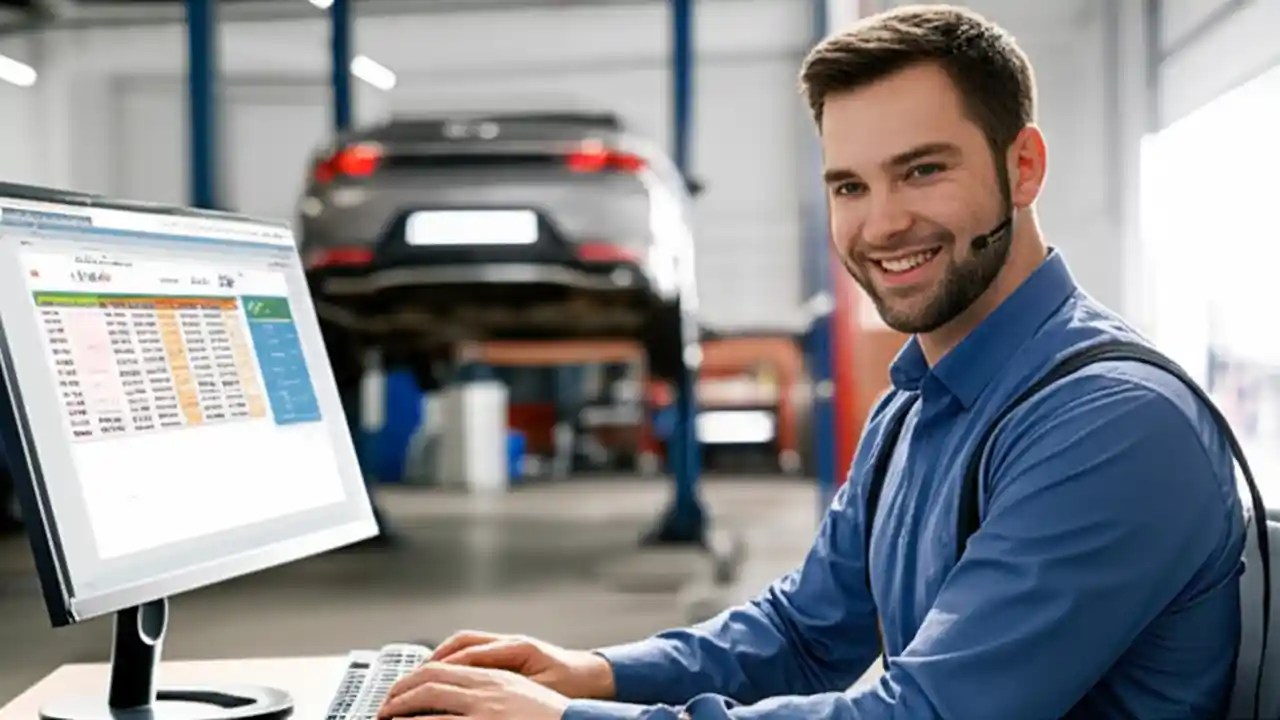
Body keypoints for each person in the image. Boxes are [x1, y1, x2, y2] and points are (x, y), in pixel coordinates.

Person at [377, 5, 1246, 719]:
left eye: (922, 171)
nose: (882, 224)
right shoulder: (917, 402)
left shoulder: (1112, 423)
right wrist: (592, 675)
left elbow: (926, 717)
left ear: (1022, 168)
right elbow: (804, 631)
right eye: (849, 186)